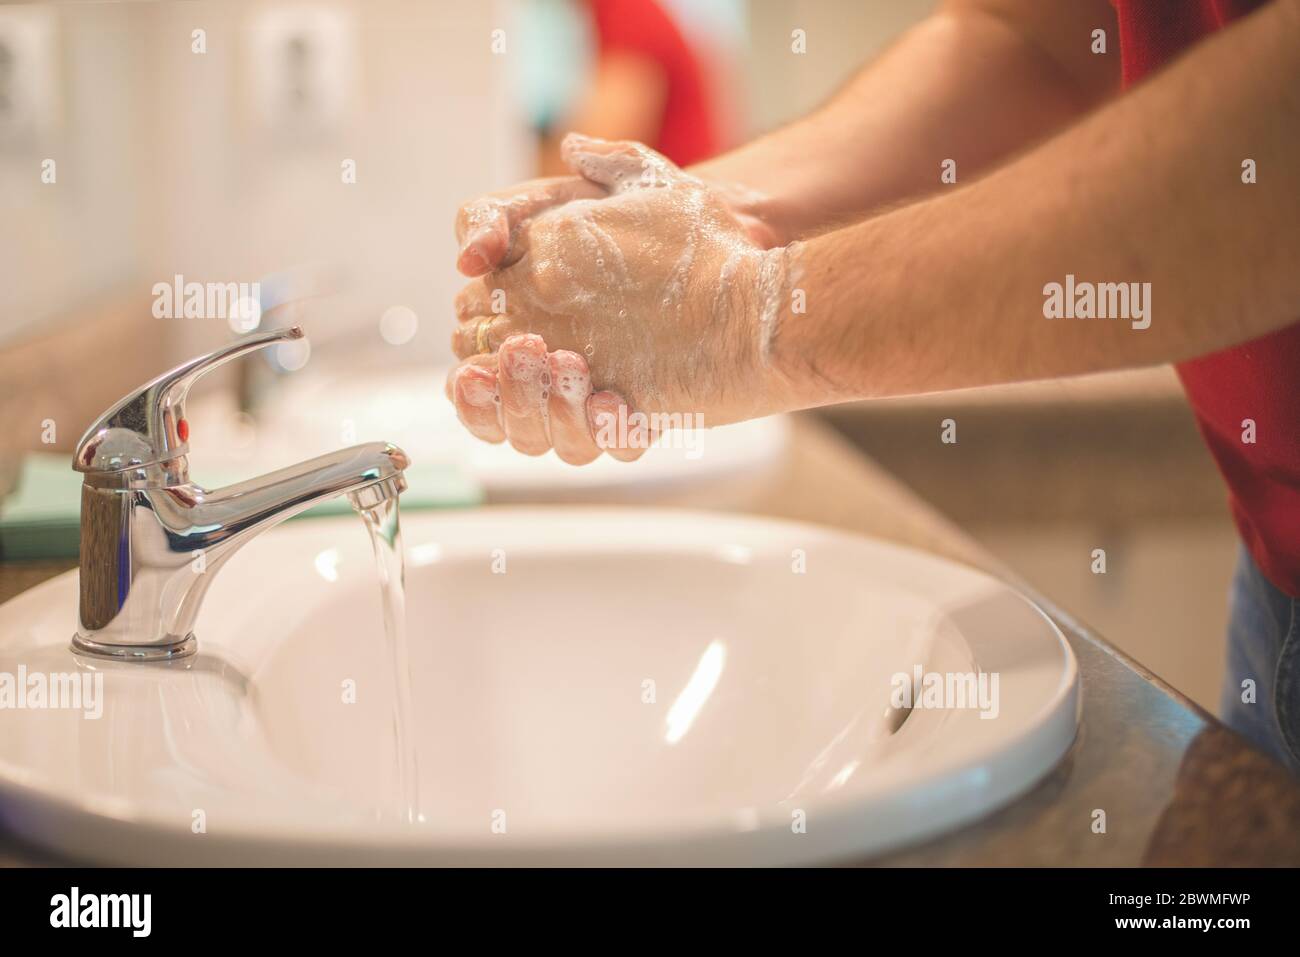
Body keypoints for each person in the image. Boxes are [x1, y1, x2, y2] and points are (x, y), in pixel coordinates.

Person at [445, 0, 1300, 770]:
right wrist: (711, 221)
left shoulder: (629, 20)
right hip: (1273, 579)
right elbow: (1038, 41)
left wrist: (742, 315)